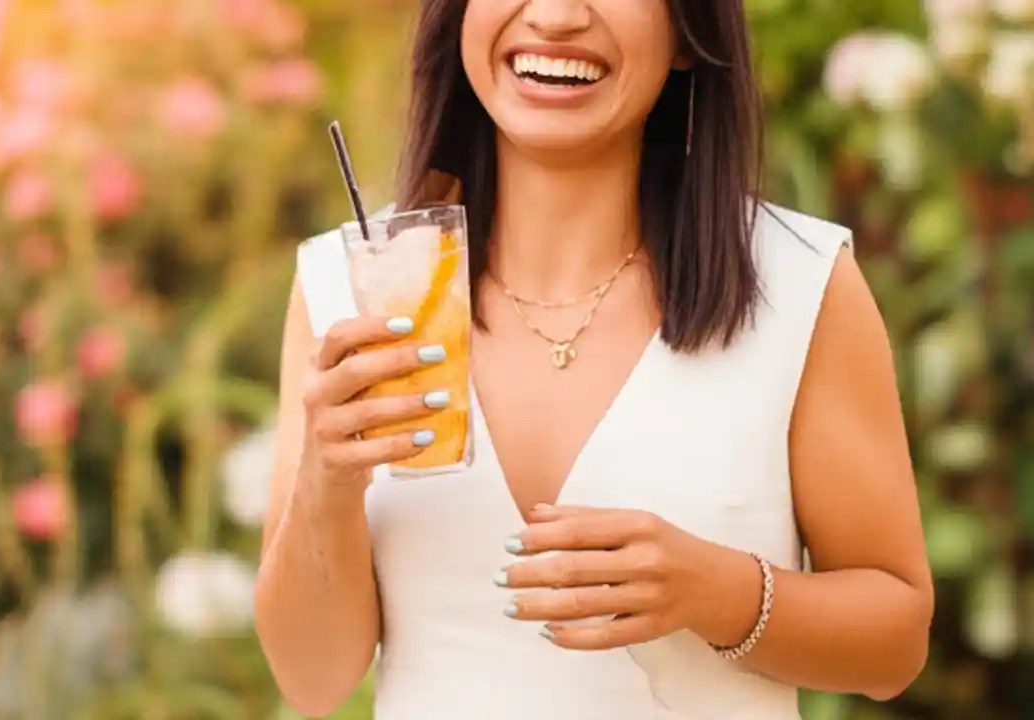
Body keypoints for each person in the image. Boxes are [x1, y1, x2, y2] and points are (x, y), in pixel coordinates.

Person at [254, 1, 934, 718]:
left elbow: (895, 646)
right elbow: (312, 682)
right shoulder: (355, 284)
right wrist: (325, 486)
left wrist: (718, 593)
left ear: (686, 31)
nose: (554, 15)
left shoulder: (798, 282)